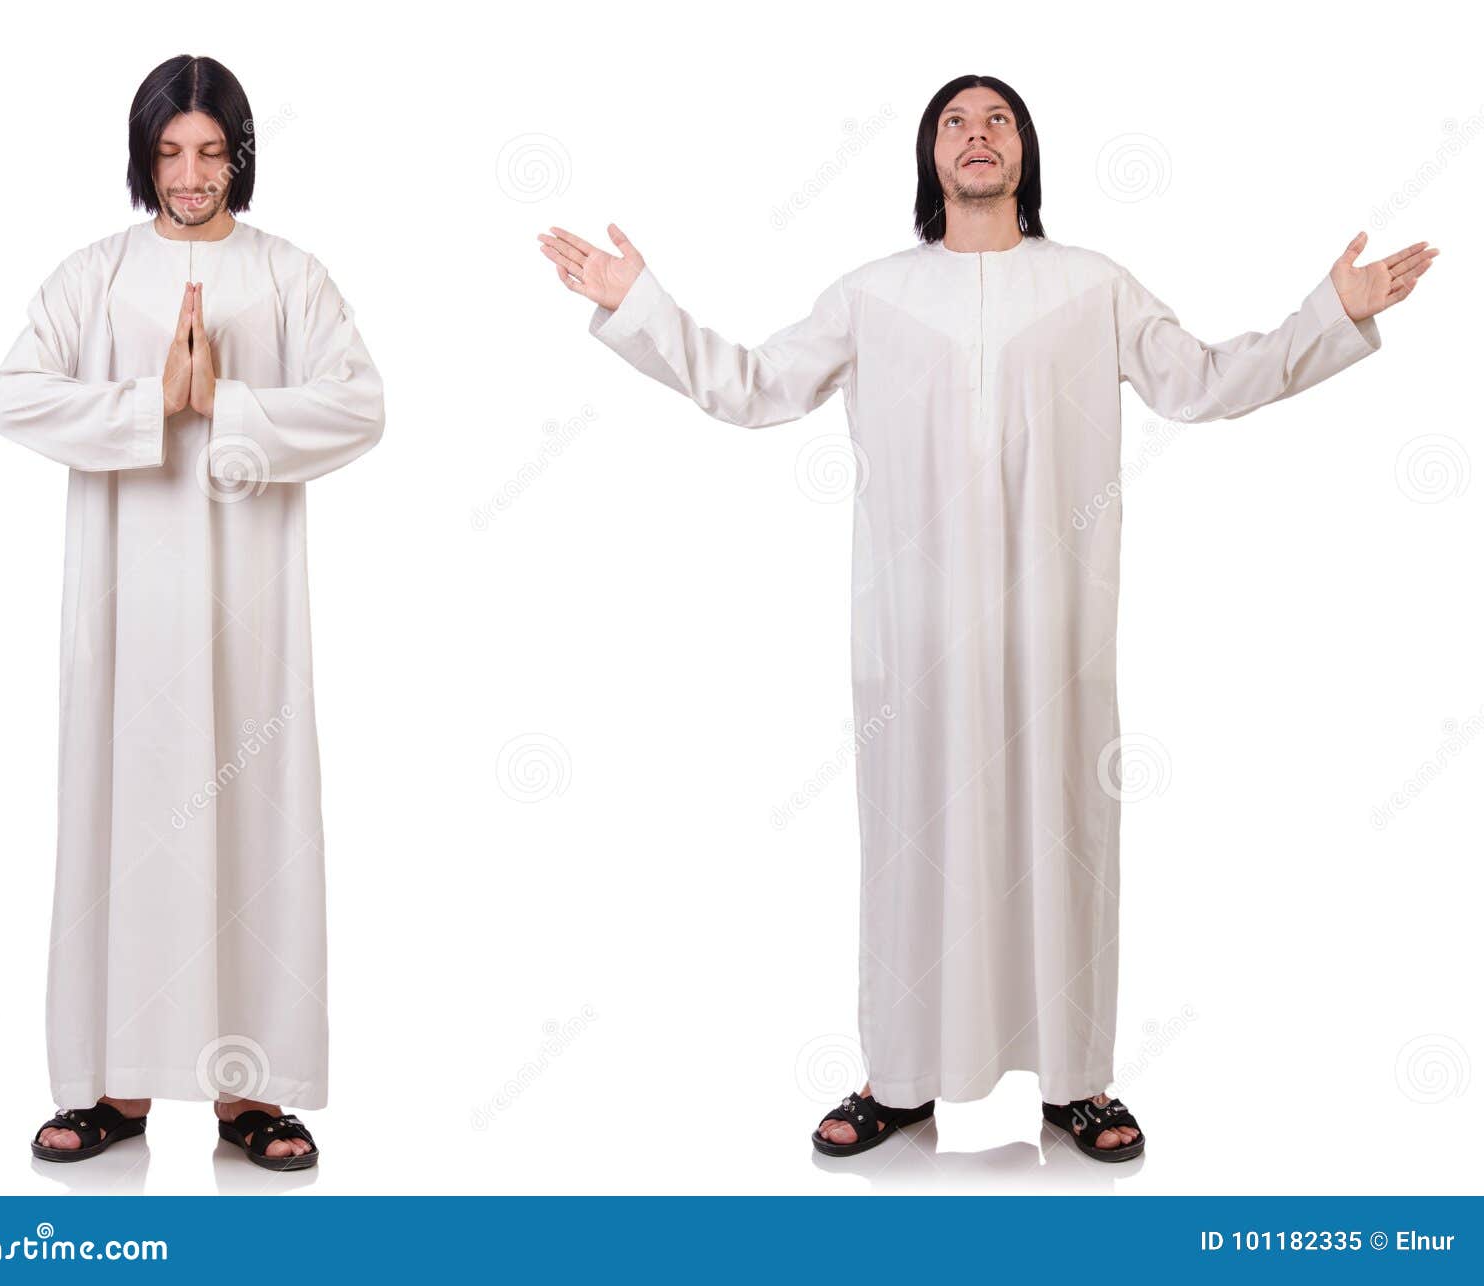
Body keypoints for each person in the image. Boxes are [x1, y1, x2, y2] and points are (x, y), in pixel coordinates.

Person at [539, 73, 1436, 1161]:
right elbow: (754, 386)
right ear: (929, 157)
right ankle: (901, 1076)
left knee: (1063, 836)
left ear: (1025, 155)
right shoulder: (874, 293)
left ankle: (1078, 1079)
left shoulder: (1088, 284)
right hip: (913, 640)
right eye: (954, 122)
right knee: (912, 843)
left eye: (997, 119)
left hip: (1052, 634)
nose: (976, 134)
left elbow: (1201, 380)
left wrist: (1329, 313)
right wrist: (641, 302)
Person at [0, 54, 384, 1170]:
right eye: (170, 150)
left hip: (245, 609)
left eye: (211, 150)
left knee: (250, 824)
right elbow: (13, 394)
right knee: (121, 824)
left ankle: (244, 1093)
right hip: (125, 607)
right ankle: (112, 1084)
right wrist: (148, 401)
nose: (191, 172)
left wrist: (227, 400)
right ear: (143, 157)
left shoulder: (287, 277)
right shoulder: (97, 276)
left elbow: (361, 405)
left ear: (240, 157)